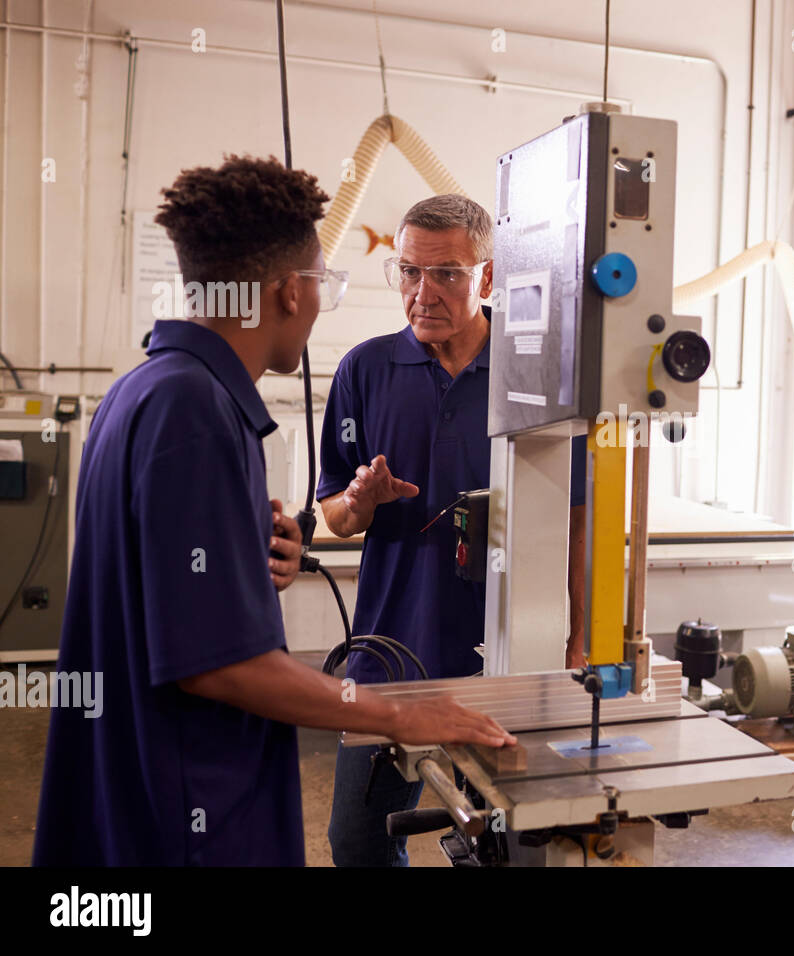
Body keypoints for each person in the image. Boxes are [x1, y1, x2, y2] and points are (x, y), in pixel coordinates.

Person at [32, 156, 512, 867]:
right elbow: (220, 665)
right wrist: (398, 713)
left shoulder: (145, 392)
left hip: (135, 795)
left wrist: (249, 553)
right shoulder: (196, 413)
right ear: (290, 292)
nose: (418, 293)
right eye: (325, 285)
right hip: (188, 810)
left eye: (443, 274)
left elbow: (164, 590)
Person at [317, 195, 586, 867]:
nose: (422, 293)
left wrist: (579, 642)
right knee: (358, 840)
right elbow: (337, 519)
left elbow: (578, 518)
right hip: (388, 654)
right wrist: (360, 500)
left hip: (507, 656)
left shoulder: (537, 373)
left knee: (506, 840)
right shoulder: (365, 370)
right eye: (409, 272)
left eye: (447, 275)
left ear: (488, 278)